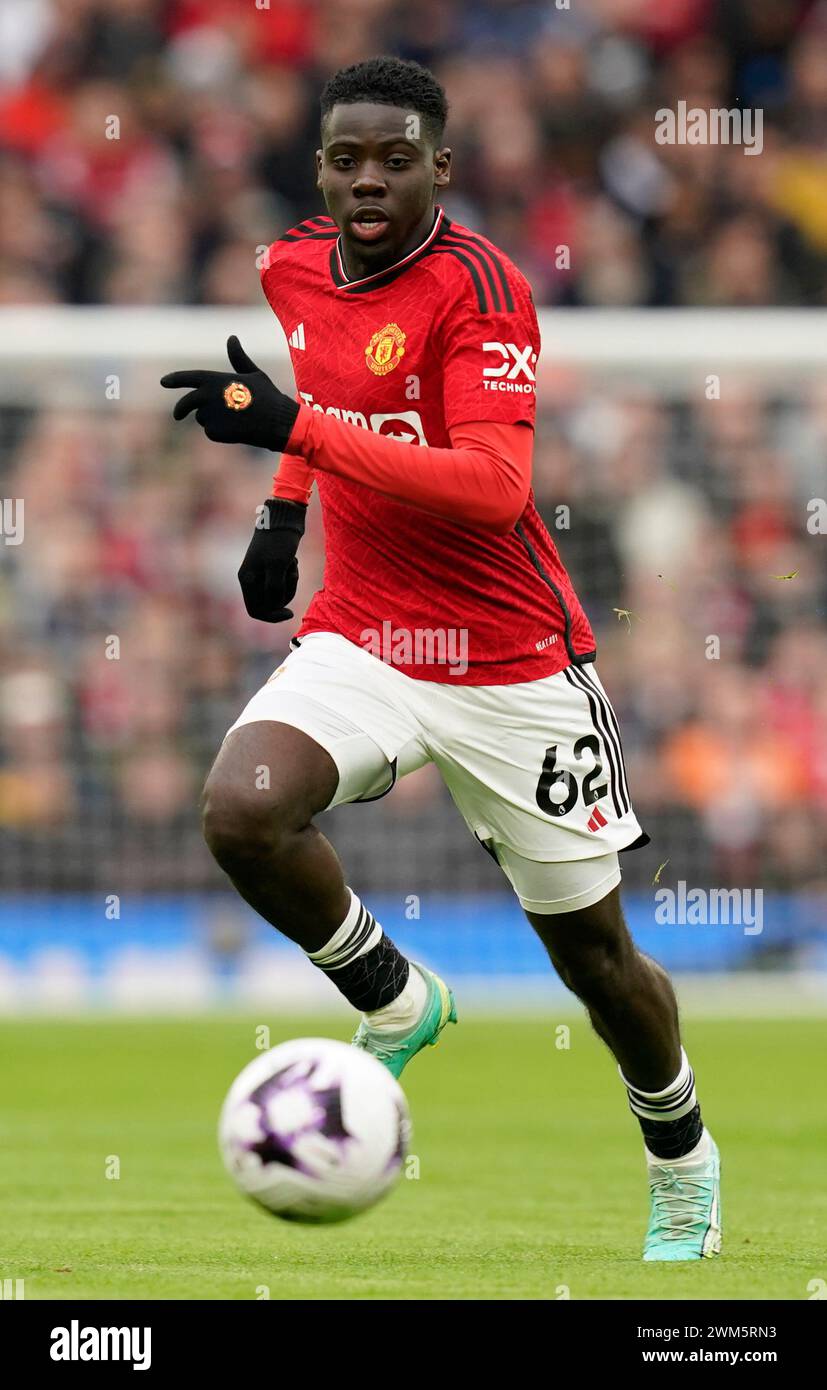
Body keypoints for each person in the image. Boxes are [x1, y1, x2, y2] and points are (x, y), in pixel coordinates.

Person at [161, 55, 721, 1262]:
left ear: (440, 169)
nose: (369, 178)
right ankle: (398, 999)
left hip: (513, 661)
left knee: (596, 960)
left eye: (395, 158)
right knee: (241, 809)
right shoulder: (289, 263)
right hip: (364, 632)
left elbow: (490, 486)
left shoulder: (483, 290)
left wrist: (294, 431)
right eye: (347, 157)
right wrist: (280, 512)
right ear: (319, 168)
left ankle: (679, 1153)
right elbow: (319, 391)